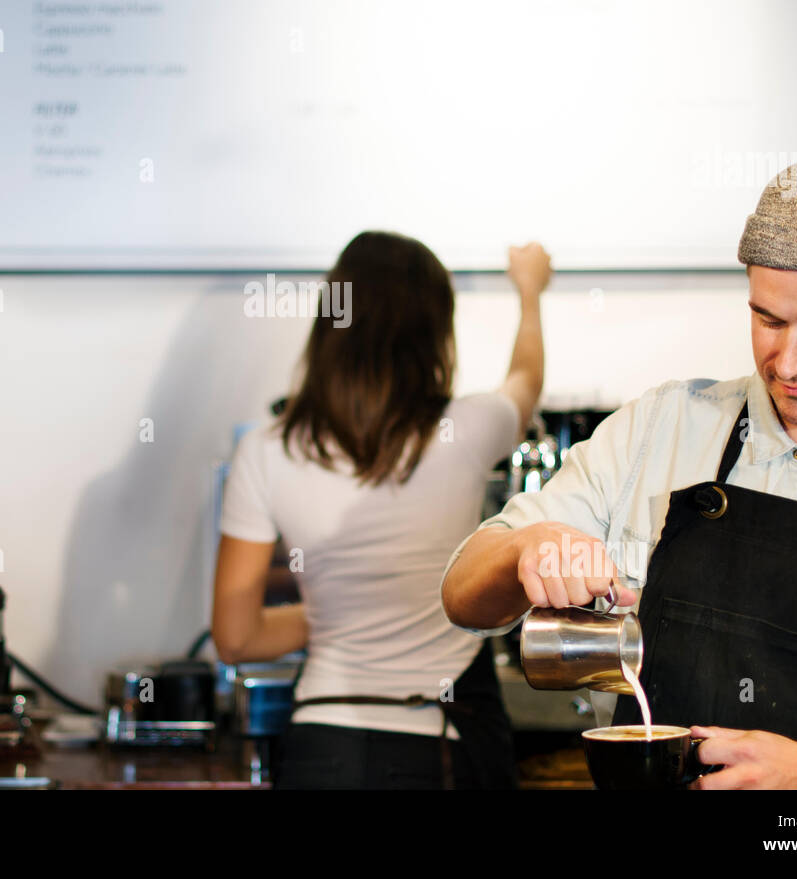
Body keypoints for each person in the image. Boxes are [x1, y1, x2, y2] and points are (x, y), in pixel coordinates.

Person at [442, 154, 797, 789]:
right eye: (768, 320)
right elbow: (462, 596)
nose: (788, 361)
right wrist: (525, 547)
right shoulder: (660, 427)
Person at [212, 231, 552, 789]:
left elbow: (237, 638)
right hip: (441, 744)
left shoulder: (264, 451)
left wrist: (340, 611)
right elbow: (526, 380)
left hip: (319, 748)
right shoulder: (467, 428)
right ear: (434, 335)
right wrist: (530, 292)